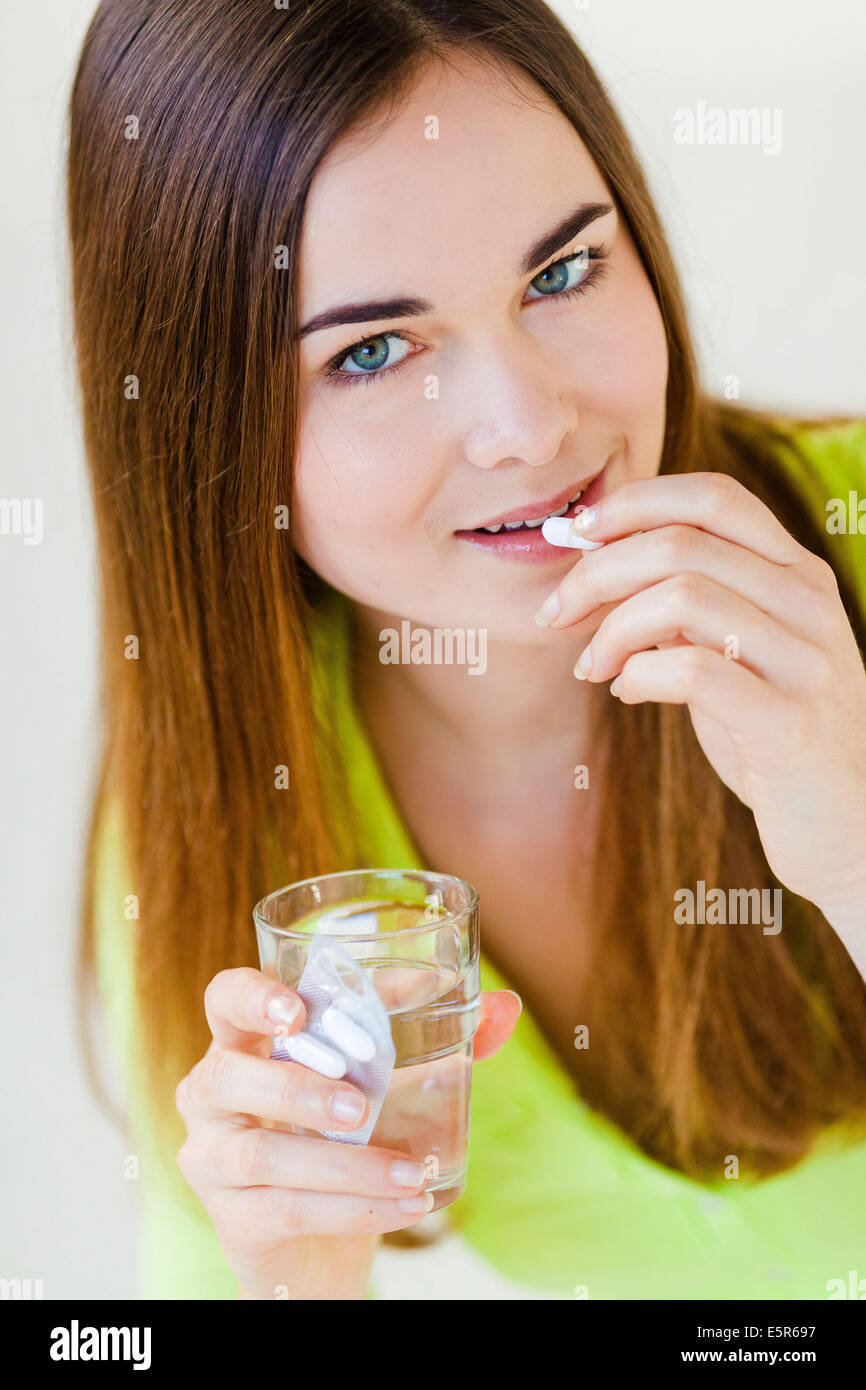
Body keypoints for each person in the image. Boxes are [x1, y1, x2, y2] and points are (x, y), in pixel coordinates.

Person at [67, 0, 866, 1299]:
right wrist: (298, 1276)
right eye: (375, 351)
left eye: (560, 273)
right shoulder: (232, 809)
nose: (524, 422)